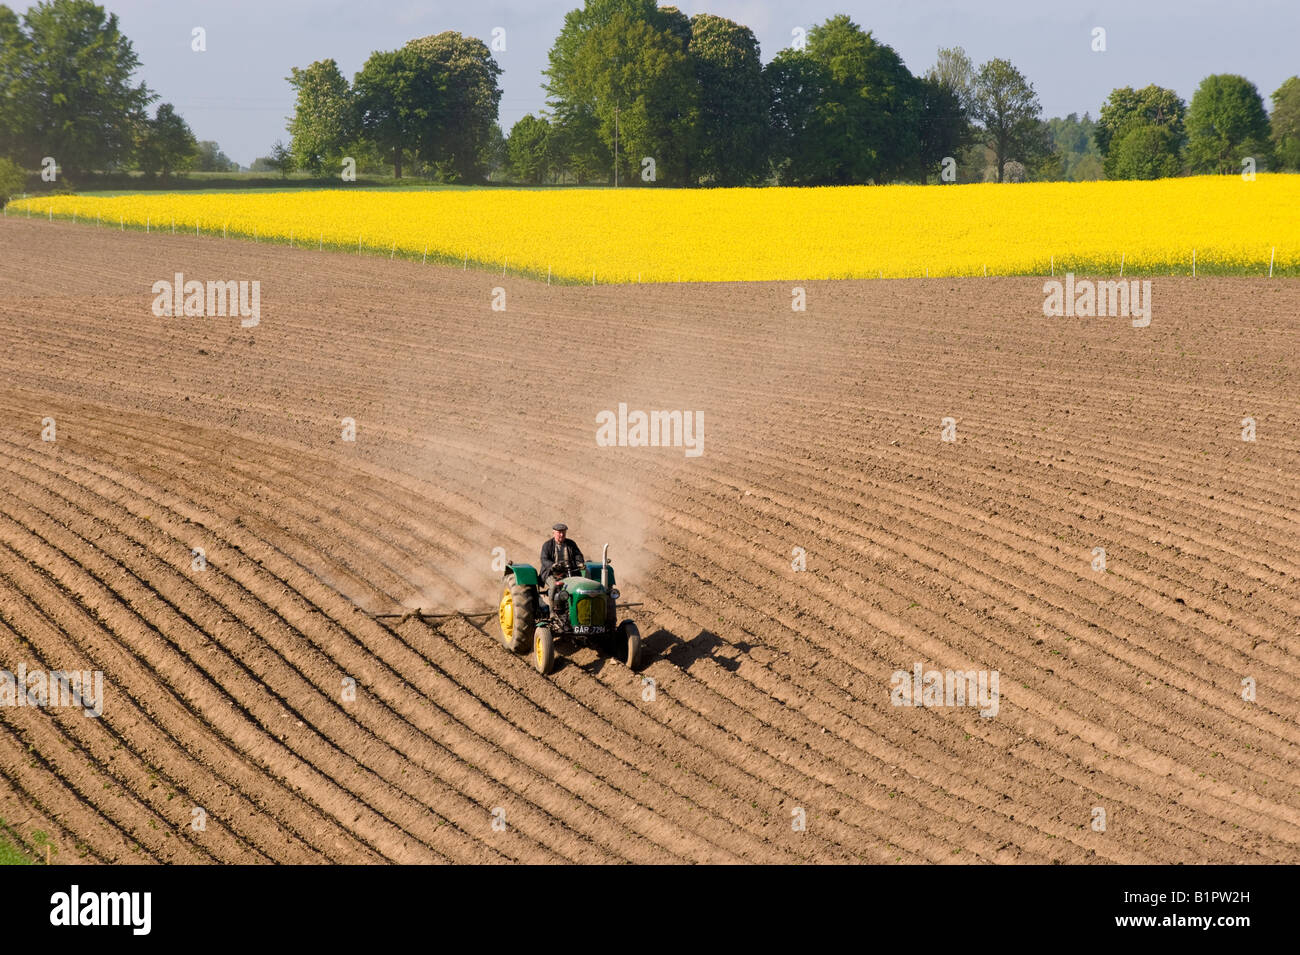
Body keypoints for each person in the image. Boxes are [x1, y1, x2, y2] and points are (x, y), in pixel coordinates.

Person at [539, 523, 585, 612]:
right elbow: (544, 559)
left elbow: (578, 555)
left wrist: (580, 563)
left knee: (577, 587)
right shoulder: (547, 545)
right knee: (554, 587)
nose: (562, 535)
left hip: (569, 572)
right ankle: (552, 612)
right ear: (554, 533)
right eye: (559, 532)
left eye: (563, 532)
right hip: (552, 573)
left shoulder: (571, 544)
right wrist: (552, 565)